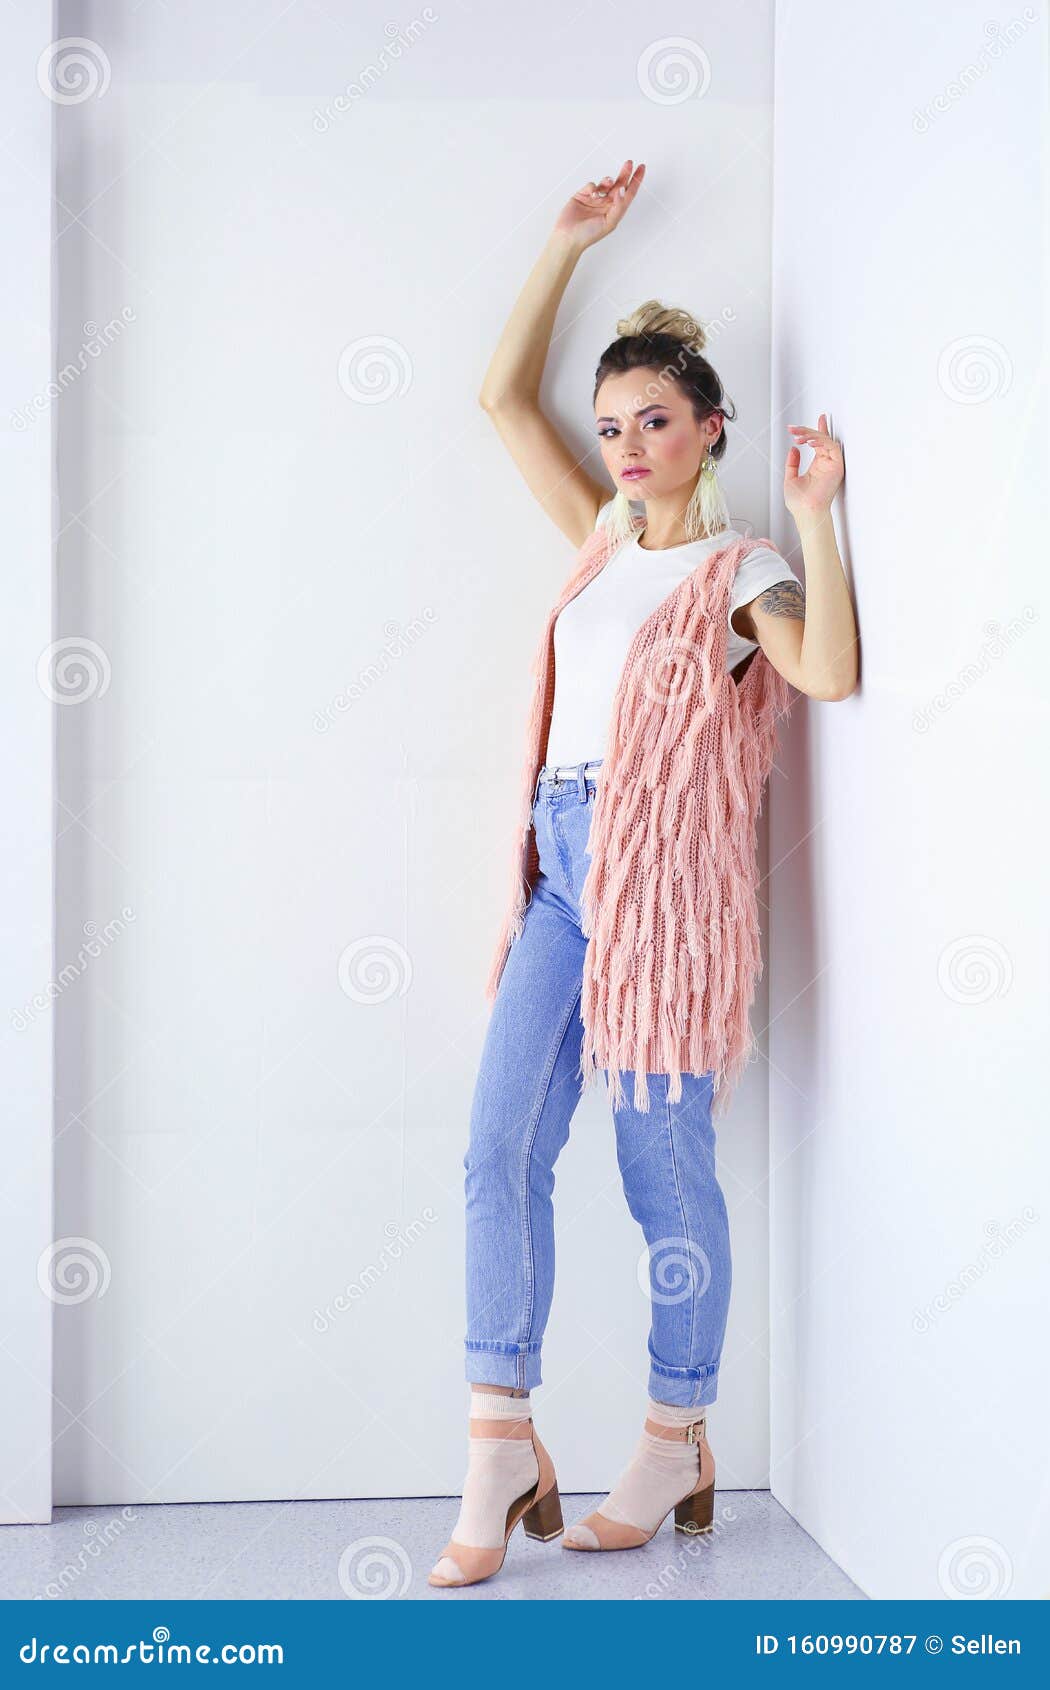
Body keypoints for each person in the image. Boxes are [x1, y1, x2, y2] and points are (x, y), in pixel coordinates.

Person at [429, 159, 856, 1589]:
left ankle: (673, 1432)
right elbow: (499, 399)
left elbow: (830, 673)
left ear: (705, 428)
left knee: (657, 1172)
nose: (621, 444)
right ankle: (501, 1430)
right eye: (610, 424)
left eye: (650, 421)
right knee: (498, 1150)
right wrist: (560, 242)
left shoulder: (734, 568)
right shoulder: (602, 537)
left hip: (662, 899)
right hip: (557, 868)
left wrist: (817, 517)